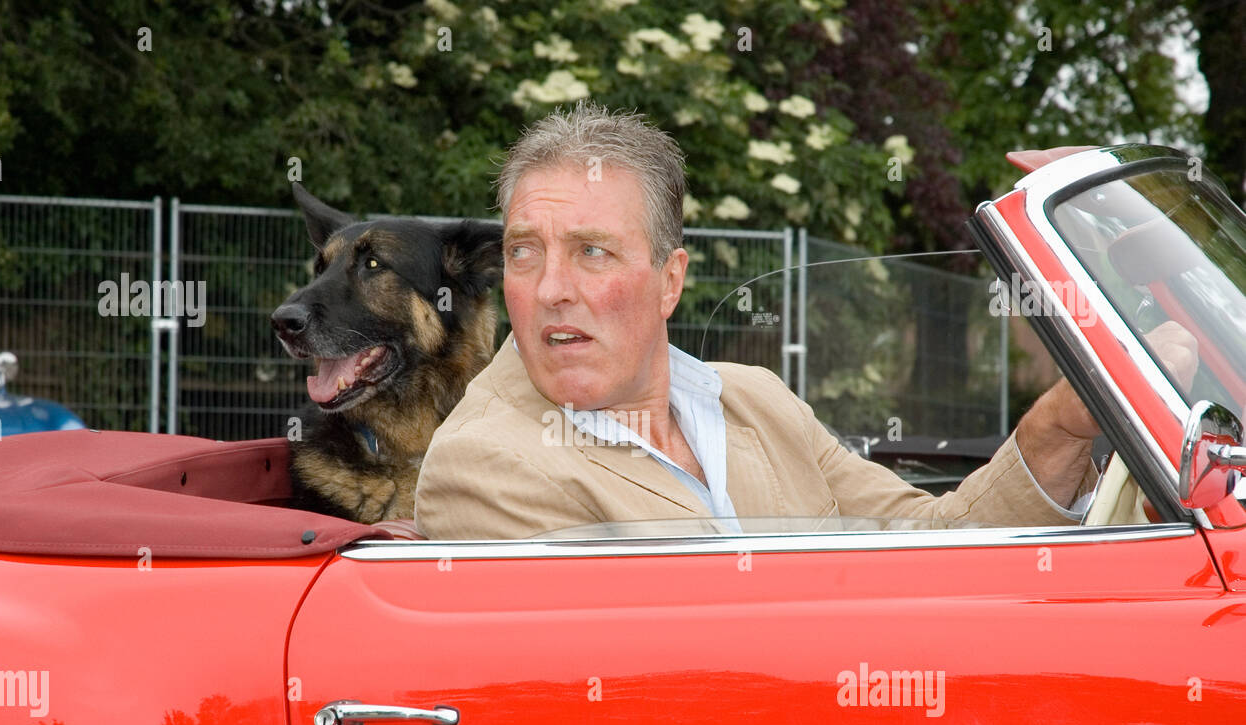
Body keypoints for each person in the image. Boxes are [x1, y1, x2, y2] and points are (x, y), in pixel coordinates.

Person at [413, 103, 1114, 540]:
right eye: (522, 253)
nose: (552, 289)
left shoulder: (756, 399)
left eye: (591, 252)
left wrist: (1059, 424)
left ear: (670, 282)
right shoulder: (484, 467)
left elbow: (933, 539)